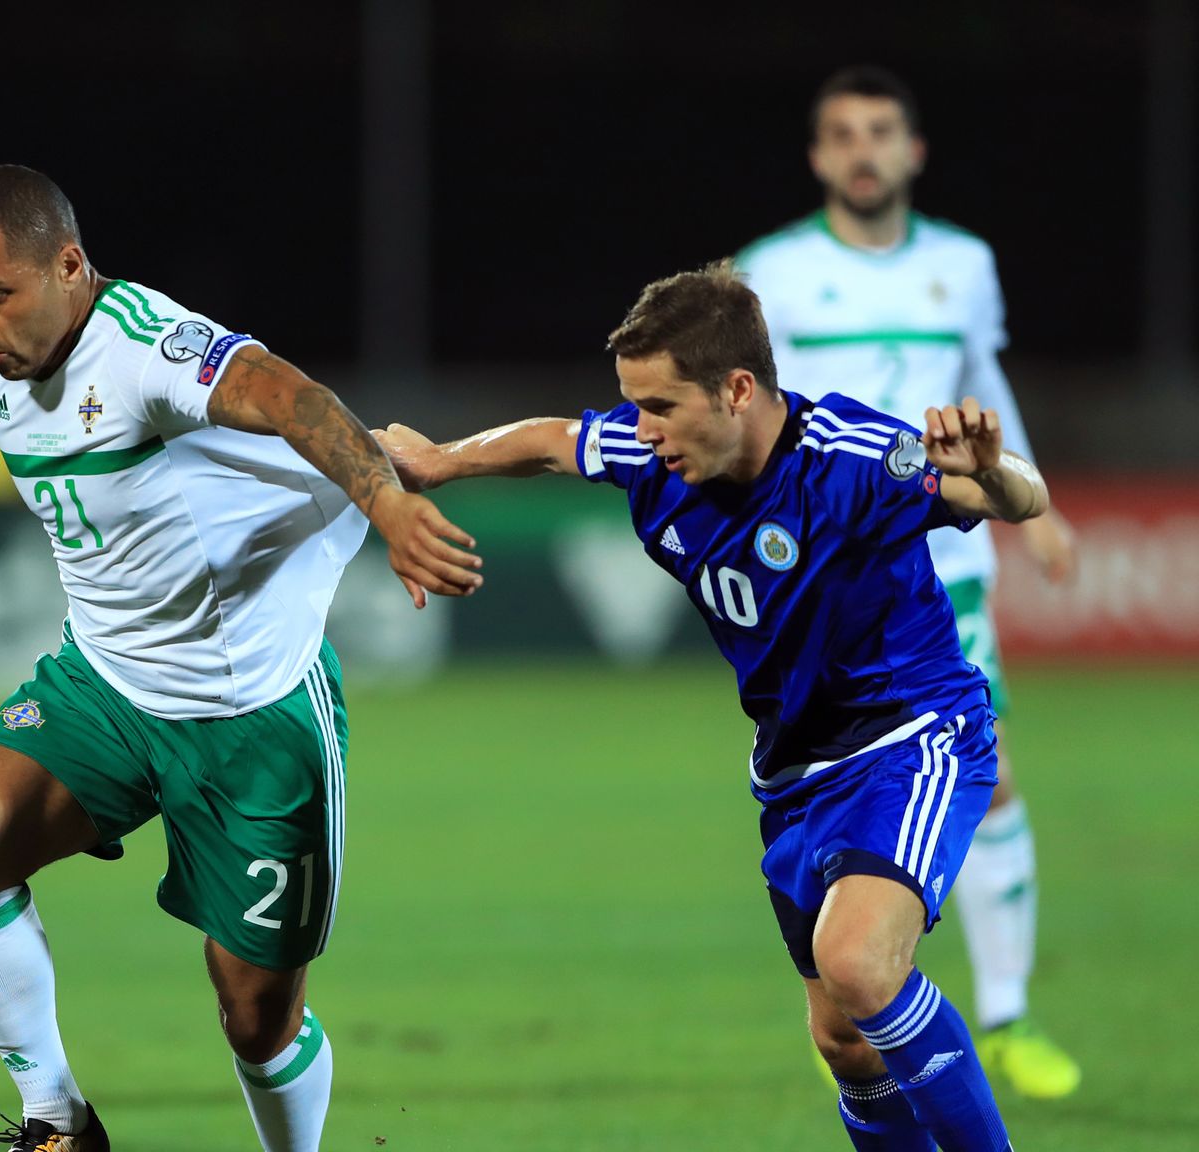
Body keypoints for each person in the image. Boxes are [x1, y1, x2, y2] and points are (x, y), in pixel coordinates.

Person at [0, 164, 481, 1152]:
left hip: (251, 713)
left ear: (69, 265)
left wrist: (387, 504)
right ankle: (57, 1120)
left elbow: (286, 394)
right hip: (107, 690)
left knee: (255, 1015)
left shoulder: (143, 348)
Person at [377, 262, 1035, 1150]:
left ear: (736, 389)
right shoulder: (654, 457)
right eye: (634, 404)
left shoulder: (849, 458)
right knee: (843, 1042)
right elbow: (549, 440)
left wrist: (992, 473)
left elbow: (1009, 497)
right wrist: (445, 462)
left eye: (659, 406)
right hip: (794, 773)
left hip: (910, 736)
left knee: (857, 964)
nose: (639, 431)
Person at [734, 65, 1080, 1099]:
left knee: (989, 772)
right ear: (816, 156)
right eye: (841, 134)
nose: (861, 151)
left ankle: (1005, 1015)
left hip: (946, 559)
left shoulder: (962, 266)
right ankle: (857, 1005)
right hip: (826, 579)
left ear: (911, 150)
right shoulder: (773, 270)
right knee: (842, 787)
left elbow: (981, 385)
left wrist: (1037, 503)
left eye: (879, 132)